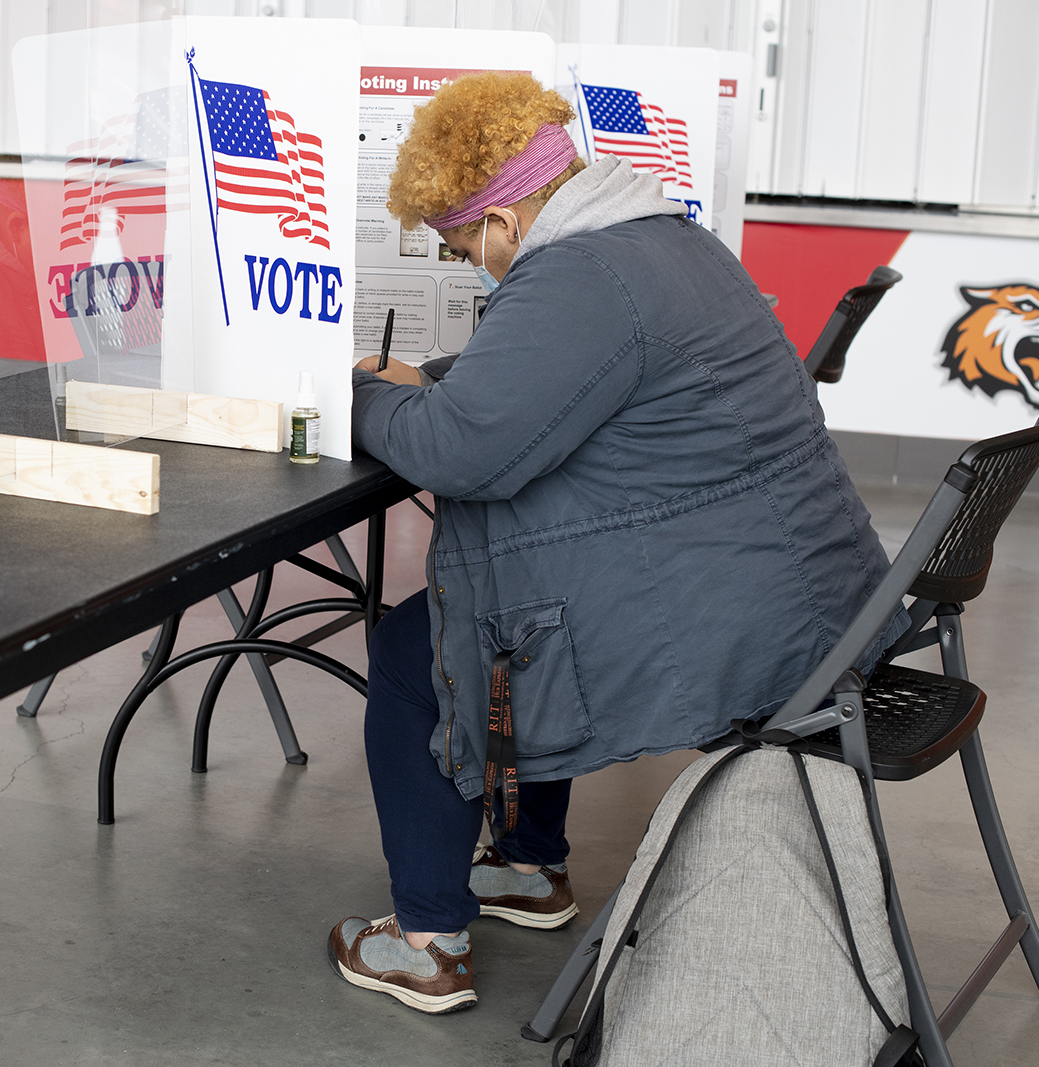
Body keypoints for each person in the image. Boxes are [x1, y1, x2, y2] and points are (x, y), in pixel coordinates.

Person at [327, 71, 905, 1015]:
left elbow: (461, 449)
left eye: (459, 240)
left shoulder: (578, 274)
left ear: (506, 219)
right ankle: (527, 865)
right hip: (805, 599)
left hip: (741, 621)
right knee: (521, 596)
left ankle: (425, 940)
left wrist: (355, 394)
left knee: (420, 647)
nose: (468, 258)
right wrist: (430, 375)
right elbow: (567, 373)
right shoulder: (659, 238)